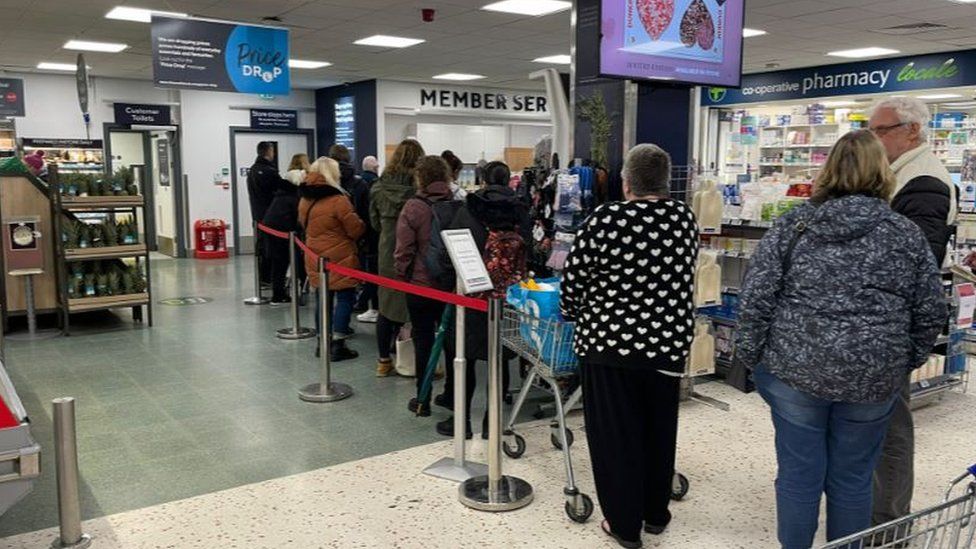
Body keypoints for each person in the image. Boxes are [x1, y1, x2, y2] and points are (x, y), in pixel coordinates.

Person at [735, 130, 947, 549]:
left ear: (827, 170)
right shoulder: (903, 233)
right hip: (872, 379)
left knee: (799, 473)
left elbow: (756, 297)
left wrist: (754, 358)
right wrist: (901, 358)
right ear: (883, 173)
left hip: (796, 371)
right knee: (853, 479)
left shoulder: (793, 226)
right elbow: (929, 310)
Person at [560, 144, 699, 549]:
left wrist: (572, 311)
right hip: (667, 343)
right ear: (664, 181)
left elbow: (575, 279)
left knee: (615, 434)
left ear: (626, 183)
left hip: (611, 345)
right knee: (659, 428)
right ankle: (656, 514)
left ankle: (623, 524)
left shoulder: (606, 219)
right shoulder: (684, 218)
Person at [867, 97, 957, 530]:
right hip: (881, 325)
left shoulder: (924, 183)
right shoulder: (900, 176)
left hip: (891, 328)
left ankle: (889, 523)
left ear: (912, 131)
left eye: (880, 131)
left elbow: (916, 262)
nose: (874, 139)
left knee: (890, 429)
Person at [434, 171, 528, 439]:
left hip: (470, 298)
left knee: (465, 359)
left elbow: (446, 254)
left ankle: (461, 423)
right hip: (508, 302)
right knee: (501, 363)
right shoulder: (519, 212)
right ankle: (492, 425)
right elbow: (528, 252)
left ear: (484, 181)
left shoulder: (468, 211)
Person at [394, 155, 460, 416]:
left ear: (420, 177)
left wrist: (402, 277)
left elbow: (403, 250)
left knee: (423, 340)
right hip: (451, 286)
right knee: (452, 343)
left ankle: (422, 401)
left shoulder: (413, 207)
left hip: (421, 285)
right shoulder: (456, 204)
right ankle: (453, 396)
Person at [298, 157, 365, 362]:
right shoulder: (339, 200)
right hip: (340, 256)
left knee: (321, 299)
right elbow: (355, 229)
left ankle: (322, 342)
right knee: (345, 298)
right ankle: (337, 343)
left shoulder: (305, 199)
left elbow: (303, 225)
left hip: (315, 256)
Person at [370, 139, 424, 377]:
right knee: (419, 311)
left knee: (386, 308)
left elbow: (373, 222)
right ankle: (419, 363)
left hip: (387, 253)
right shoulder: (420, 191)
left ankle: (383, 361)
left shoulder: (378, 188)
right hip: (415, 255)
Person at [329, 144, 370, 337]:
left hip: (321, 248)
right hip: (349, 244)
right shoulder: (359, 183)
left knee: (325, 292)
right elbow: (364, 217)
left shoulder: (320, 185)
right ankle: (340, 331)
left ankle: (324, 331)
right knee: (346, 291)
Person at [261, 152, 305, 305]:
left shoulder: (282, 192)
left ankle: (279, 292)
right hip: (282, 231)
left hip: (273, 227)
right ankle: (279, 295)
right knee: (282, 262)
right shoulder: (295, 197)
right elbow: (299, 219)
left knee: (278, 263)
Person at [247, 142, 291, 290]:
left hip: (258, 216)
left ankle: (264, 278)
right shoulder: (269, 171)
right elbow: (282, 187)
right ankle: (270, 278)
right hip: (271, 218)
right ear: (269, 151)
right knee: (272, 251)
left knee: (263, 248)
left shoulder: (253, 170)